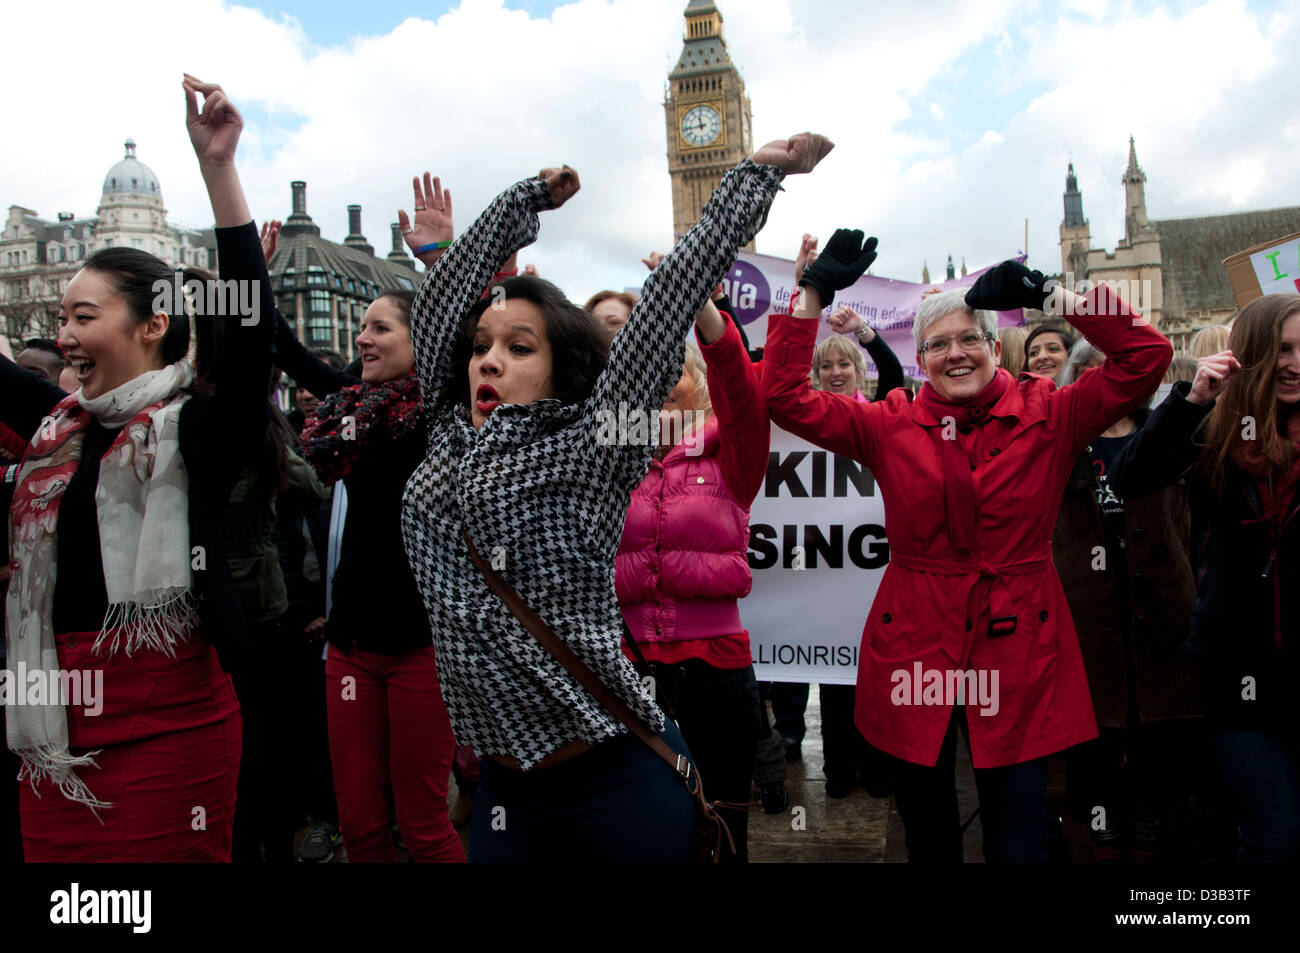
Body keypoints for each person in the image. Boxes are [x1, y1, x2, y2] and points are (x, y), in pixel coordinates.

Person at [399, 133, 832, 862]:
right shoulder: (444, 439)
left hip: (610, 783)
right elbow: (438, 315)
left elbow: (665, 306)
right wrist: (520, 203)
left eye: (519, 347)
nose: (491, 359)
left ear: (562, 367)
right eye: (482, 347)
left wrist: (756, 174)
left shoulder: (591, 446)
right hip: (506, 797)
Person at [762, 238, 1172, 862]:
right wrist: (812, 295)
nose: (956, 353)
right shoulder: (889, 421)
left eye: (969, 339)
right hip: (916, 635)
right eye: (938, 344)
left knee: (1016, 832)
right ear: (920, 359)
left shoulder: (1051, 412)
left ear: (991, 343)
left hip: (1020, 640)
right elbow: (783, 397)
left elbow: (1147, 357)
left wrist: (1046, 294)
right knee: (927, 831)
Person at [0, 73, 276, 860]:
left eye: (84, 317)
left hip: (170, 724)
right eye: (60, 318)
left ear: (155, 324)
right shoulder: (51, 424)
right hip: (49, 723)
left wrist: (219, 171)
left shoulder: (197, 428)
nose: (66, 335)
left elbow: (251, 333)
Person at [225, 160, 464, 863]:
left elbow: (465, 336)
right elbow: (281, 347)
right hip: (352, 645)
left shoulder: (442, 416)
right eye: (360, 326)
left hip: (422, 643)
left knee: (423, 823)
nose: (362, 339)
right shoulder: (345, 409)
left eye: (381, 328)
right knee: (360, 825)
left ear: (420, 343)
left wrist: (440, 260)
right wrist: (252, 277)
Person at [1110, 294, 1300, 862]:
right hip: (1238, 674)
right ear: (1255, 353)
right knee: (1273, 837)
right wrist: (1190, 400)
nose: (1295, 362)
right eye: (1283, 348)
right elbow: (1131, 476)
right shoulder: (1218, 434)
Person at [615, 288, 768, 862]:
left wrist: (702, 307)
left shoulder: (734, 448)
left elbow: (745, 392)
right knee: (642, 825)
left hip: (714, 673)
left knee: (721, 826)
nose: (658, 382)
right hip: (627, 673)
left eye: (672, 369)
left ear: (698, 380)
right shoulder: (609, 459)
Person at [1053, 340, 1215, 862]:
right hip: (1088, 625)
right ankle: (1102, 846)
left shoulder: (1168, 433)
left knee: (1158, 761)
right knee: (1097, 761)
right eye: (1096, 369)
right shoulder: (1060, 446)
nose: (1110, 377)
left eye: (1119, 368)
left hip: (1161, 618)